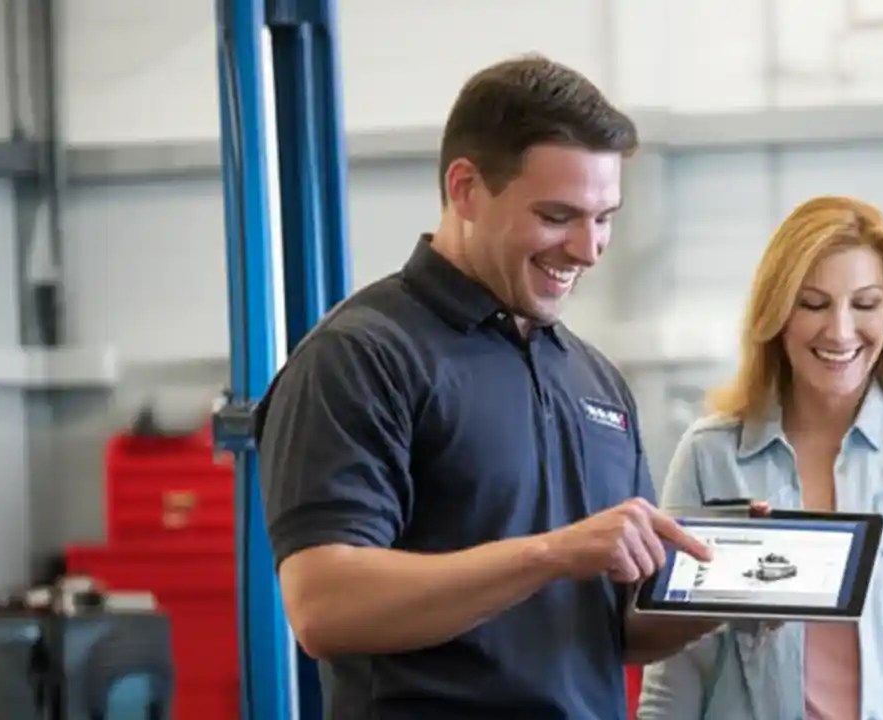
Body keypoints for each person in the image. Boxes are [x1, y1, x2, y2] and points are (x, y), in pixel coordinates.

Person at [253, 55, 720, 720]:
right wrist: (552, 553)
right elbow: (324, 604)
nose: (589, 249)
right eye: (559, 215)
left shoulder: (593, 380)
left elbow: (616, 628)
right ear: (466, 189)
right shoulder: (362, 356)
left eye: (604, 216)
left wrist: (722, 592)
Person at [636, 196, 883, 720]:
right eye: (812, 303)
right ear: (777, 313)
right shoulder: (710, 454)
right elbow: (675, 673)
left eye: (865, 303)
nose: (840, 330)